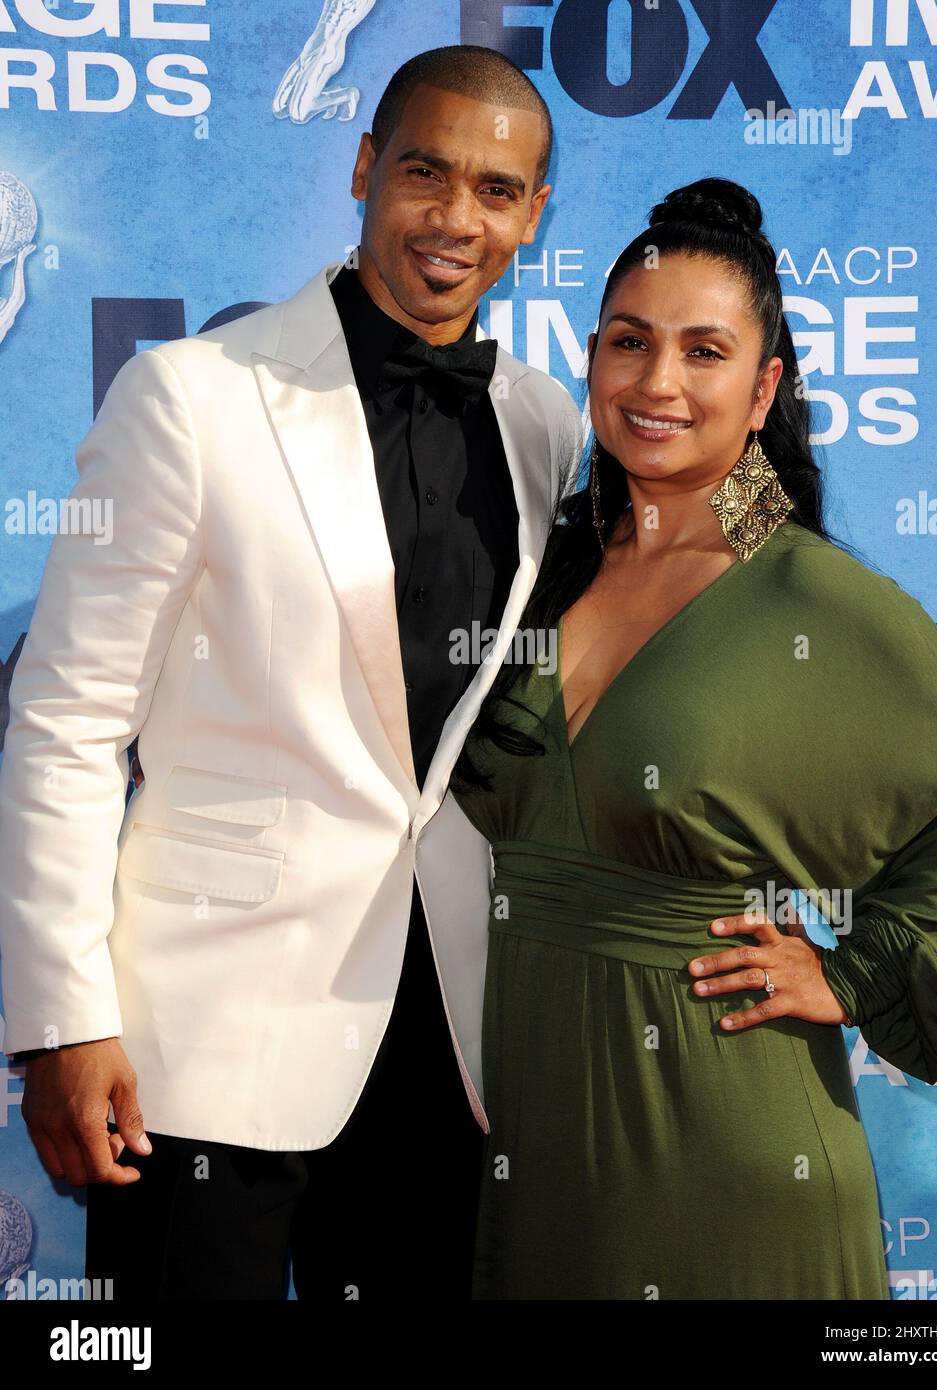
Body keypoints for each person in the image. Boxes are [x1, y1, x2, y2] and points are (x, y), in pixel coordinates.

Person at [0, 45, 581, 1300]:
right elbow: (65, 721)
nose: (455, 217)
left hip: (446, 1039)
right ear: (364, 168)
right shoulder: (193, 398)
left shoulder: (544, 420)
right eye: (426, 172)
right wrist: (62, 1020)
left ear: (534, 216)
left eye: (496, 190)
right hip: (205, 1036)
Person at [448, 177, 937, 1300]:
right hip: (539, 1140)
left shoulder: (803, 587)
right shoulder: (551, 561)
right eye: (627, 341)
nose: (656, 382)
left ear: (763, 391)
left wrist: (855, 975)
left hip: (724, 1139)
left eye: (704, 353)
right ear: (592, 356)